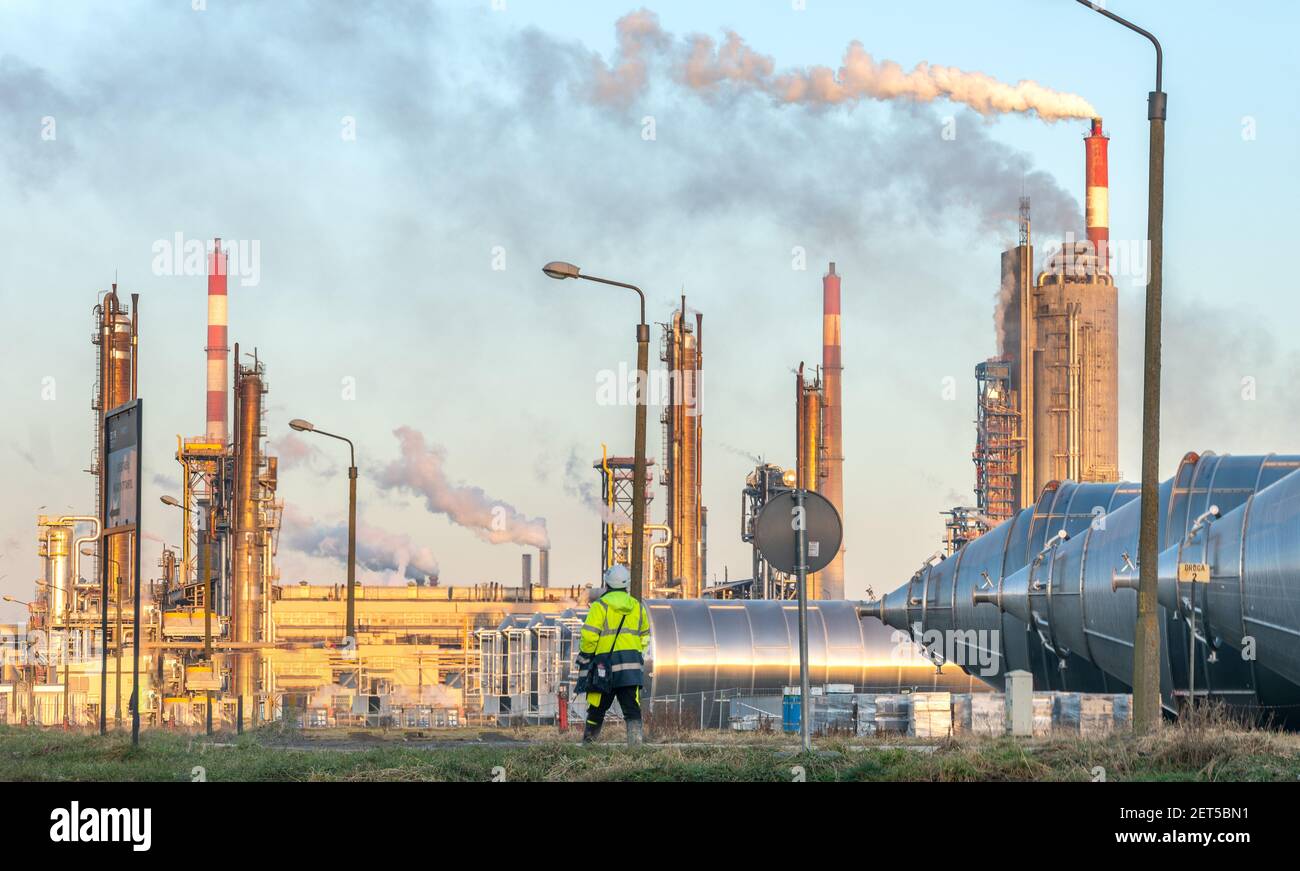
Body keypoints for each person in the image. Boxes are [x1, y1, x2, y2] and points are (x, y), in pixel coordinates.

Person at [575, 564, 650, 745]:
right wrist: (636, 654)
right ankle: (635, 748)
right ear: (627, 585)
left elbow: (589, 636)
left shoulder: (600, 607)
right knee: (632, 710)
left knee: (597, 709)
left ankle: (589, 745)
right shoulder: (637, 607)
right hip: (630, 669)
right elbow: (645, 637)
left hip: (604, 668)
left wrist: (586, 656)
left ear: (607, 584)